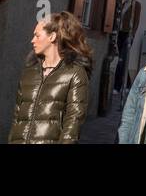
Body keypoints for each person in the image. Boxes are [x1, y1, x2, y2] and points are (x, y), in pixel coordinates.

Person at [8, 12, 91, 144]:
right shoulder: (29, 73)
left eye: (37, 35)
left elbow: (73, 123)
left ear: (52, 37)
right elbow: (17, 117)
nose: (32, 40)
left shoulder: (75, 74)